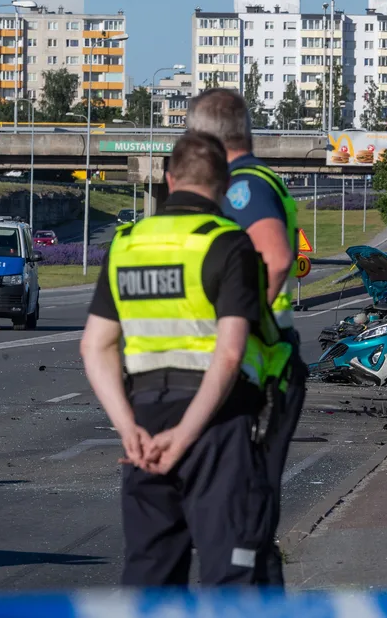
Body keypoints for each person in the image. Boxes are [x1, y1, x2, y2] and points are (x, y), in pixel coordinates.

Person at [80, 131, 290, 586]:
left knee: (149, 575)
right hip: (216, 425)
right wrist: (186, 435)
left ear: (169, 179)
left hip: (146, 424)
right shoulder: (228, 243)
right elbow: (230, 354)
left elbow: (95, 346)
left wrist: (129, 431)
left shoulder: (126, 244)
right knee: (231, 575)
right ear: (222, 184)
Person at [186, 88, 305, 586]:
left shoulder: (243, 187)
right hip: (262, 362)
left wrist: (241, 328)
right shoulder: (250, 181)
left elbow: (276, 259)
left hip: (263, 366)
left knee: (246, 512)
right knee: (247, 513)